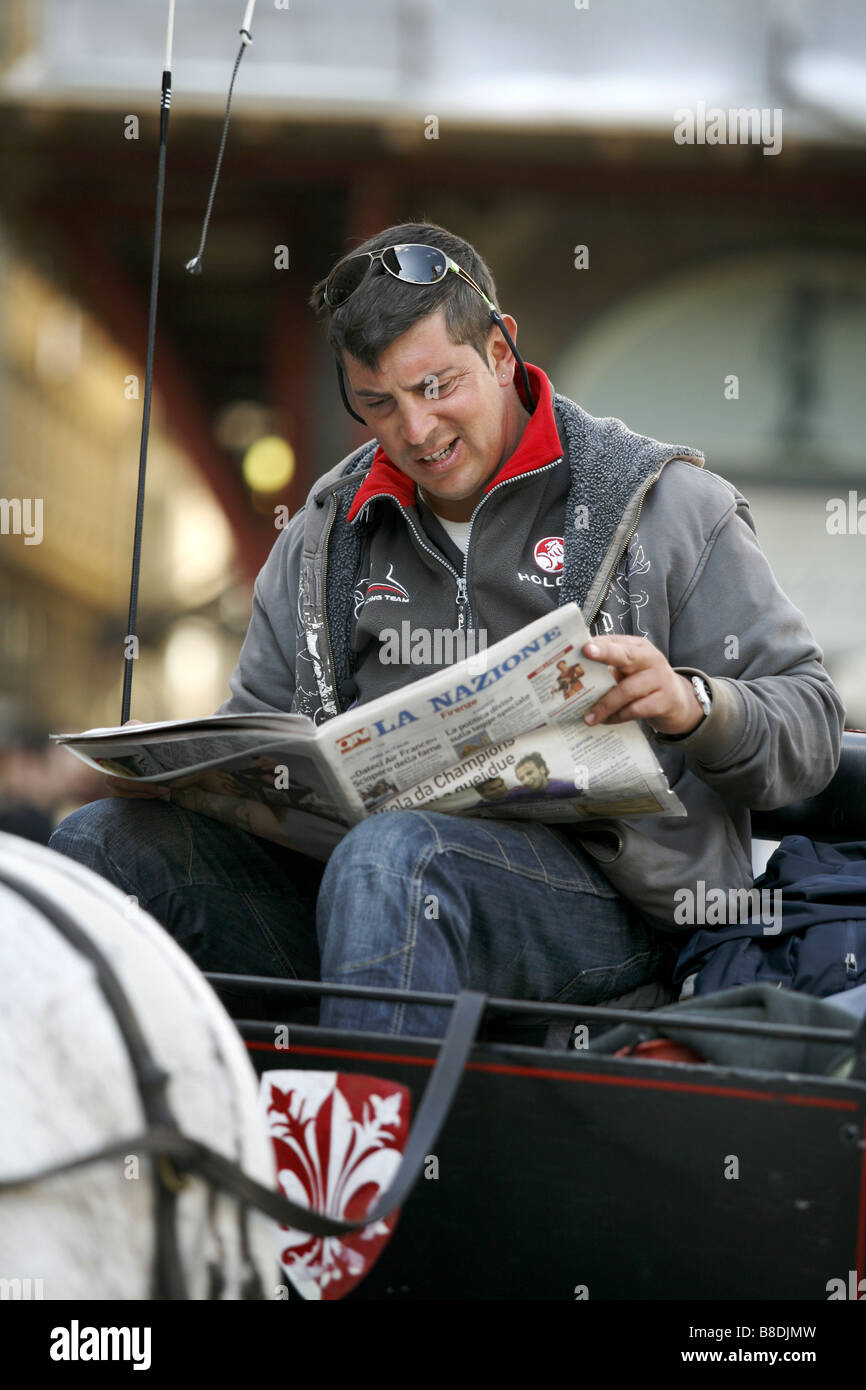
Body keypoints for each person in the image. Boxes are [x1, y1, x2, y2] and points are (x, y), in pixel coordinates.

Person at [49, 221, 845, 1039]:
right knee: (100, 842)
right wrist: (186, 781)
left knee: (398, 858)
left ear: (502, 352)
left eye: (439, 386)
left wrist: (692, 704)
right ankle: (114, 1151)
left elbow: (813, 730)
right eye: (378, 404)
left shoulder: (671, 507)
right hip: (360, 891)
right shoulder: (321, 535)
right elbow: (258, 729)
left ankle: (362, 1155)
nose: (416, 431)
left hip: (614, 911)